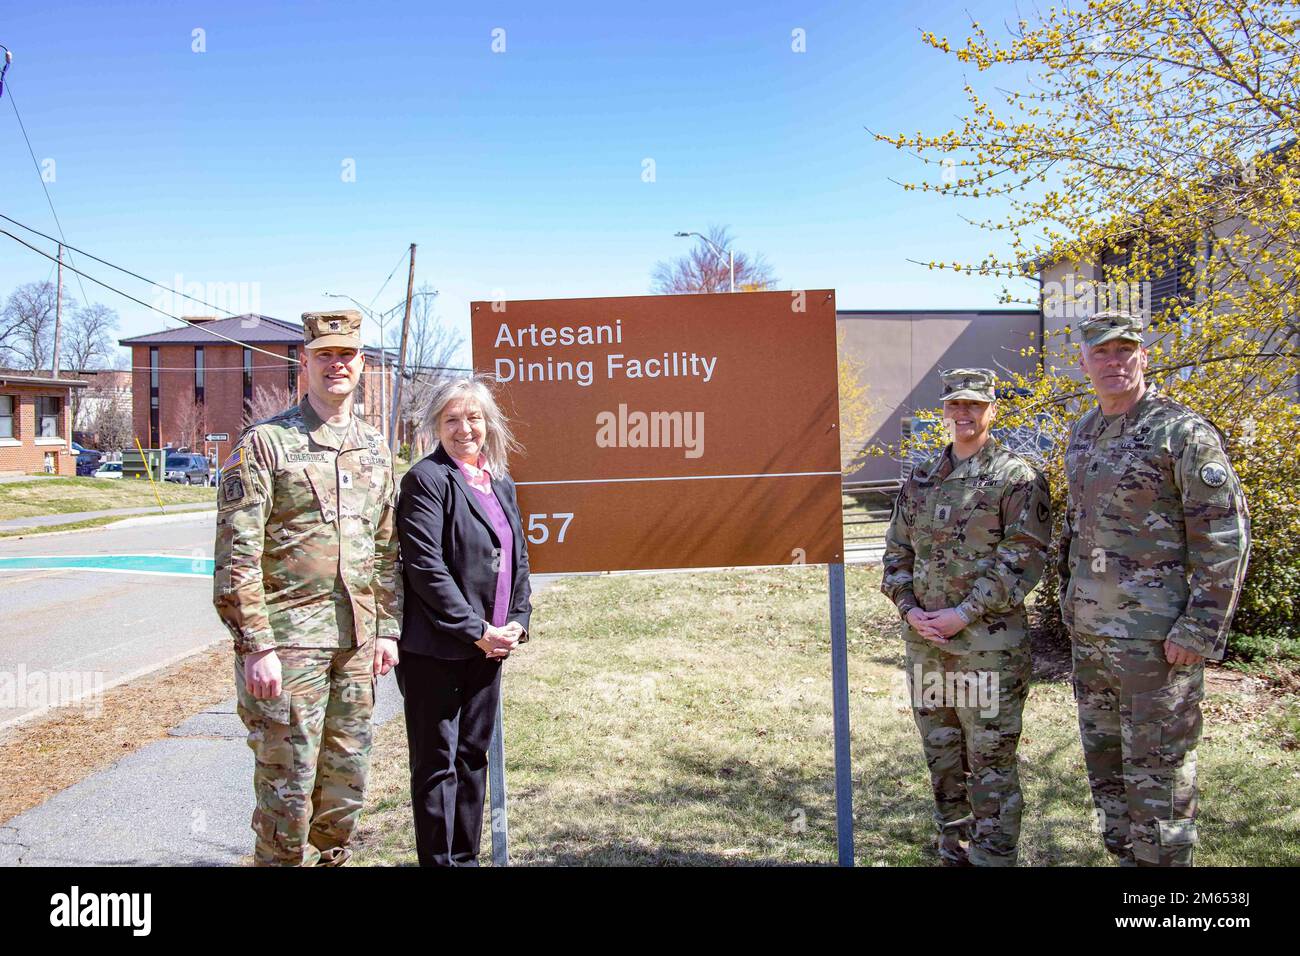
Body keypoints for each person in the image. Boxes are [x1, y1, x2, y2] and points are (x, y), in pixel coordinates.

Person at [1059, 310, 1250, 867]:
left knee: (1159, 778)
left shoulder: (1181, 432)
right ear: (1085, 362)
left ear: (1144, 356)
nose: (1113, 361)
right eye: (1102, 352)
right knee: (1109, 775)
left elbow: (1224, 533)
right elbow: (1079, 528)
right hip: (1092, 639)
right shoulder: (1085, 430)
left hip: (1157, 643)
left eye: (1125, 350)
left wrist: (1200, 627)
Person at [213, 309, 400, 866]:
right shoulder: (265, 445)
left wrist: (386, 630)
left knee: (345, 787)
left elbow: (387, 549)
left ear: (361, 364)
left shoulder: (376, 449)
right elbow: (236, 555)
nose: (336, 365)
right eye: (325, 355)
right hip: (289, 645)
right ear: (305, 362)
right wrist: (256, 647)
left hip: (357, 645)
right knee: (287, 789)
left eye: (346, 355)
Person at [881, 367, 1051, 866]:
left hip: (987, 648)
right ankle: (953, 850)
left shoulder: (1015, 477)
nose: (964, 413)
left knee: (990, 761)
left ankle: (993, 858)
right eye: (956, 404)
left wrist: (963, 613)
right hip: (928, 646)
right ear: (945, 410)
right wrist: (909, 609)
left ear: (992, 409)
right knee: (943, 755)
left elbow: (1024, 558)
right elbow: (896, 551)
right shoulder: (923, 476)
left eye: (974, 405)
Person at [395, 374, 532, 867]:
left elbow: (517, 557)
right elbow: (425, 568)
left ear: (489, 423)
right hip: (437, 650)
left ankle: (465, 860)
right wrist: (476, 630)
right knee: (438, 765)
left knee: (473, 757)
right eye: (451, 419)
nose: (464, 428)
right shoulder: (426, 480)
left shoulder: (499, 481)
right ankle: (440, 863)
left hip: (490, 648)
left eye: (473, 417)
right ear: (436, 425)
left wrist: (517, 619)